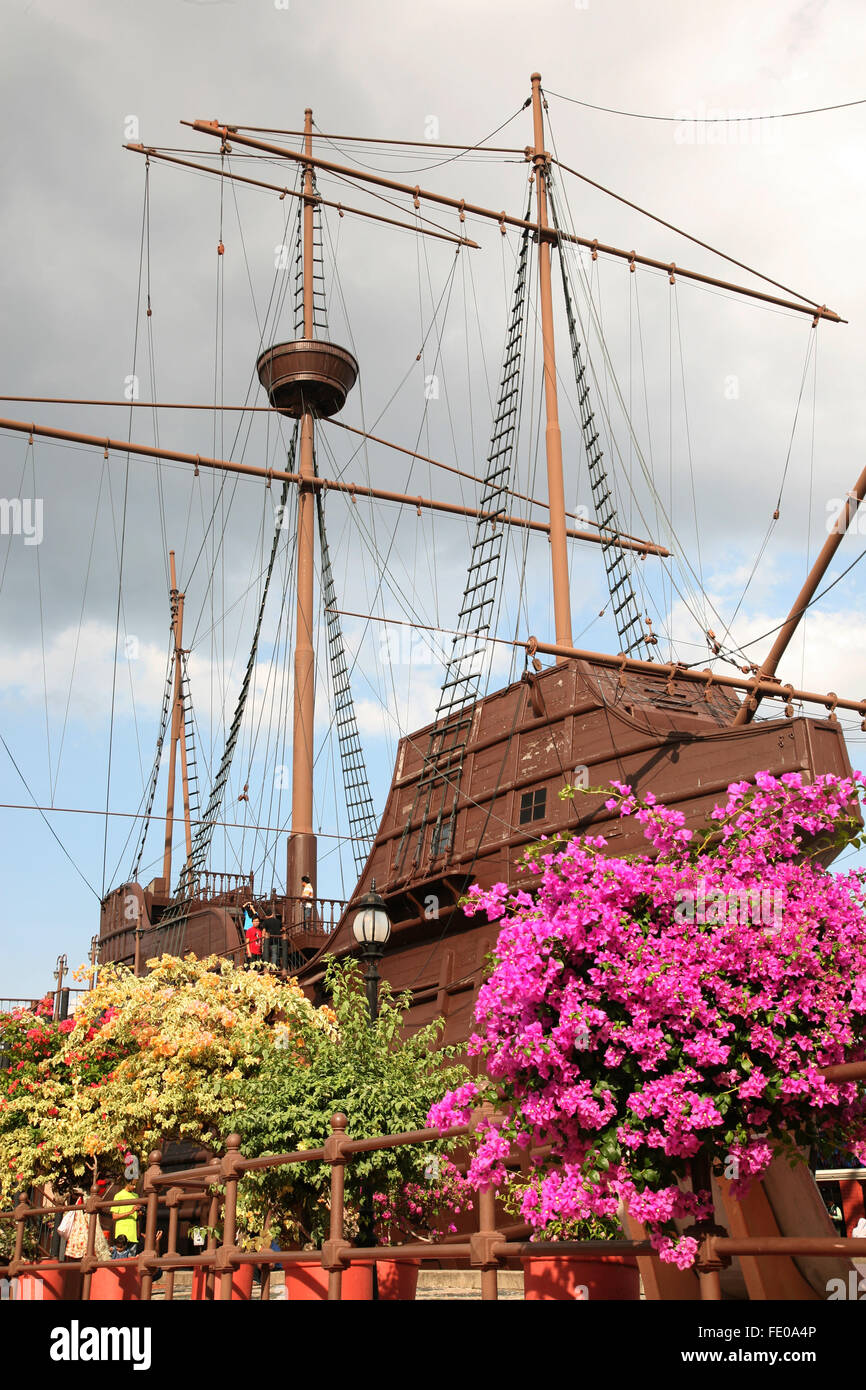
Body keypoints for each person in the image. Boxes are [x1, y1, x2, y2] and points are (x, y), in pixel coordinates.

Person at [111, 1183, 140, 1254]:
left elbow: (136, 1215)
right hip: (122, 1238)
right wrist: (130, 1212)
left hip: (133, 1236)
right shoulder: (118, 1196)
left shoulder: (136, 1196)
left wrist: (139, 1212)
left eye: (135, 1184)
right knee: (119, 1262)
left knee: (131, 1262)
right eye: (133, 1184)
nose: (135, 1186)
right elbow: (114, 1216)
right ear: (127, 1183)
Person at [261, 905, 284, 970]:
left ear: (266, 916)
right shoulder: (278, 921)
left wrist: (262, 940)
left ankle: (266, 968)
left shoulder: (265, 921)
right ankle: (274, 968)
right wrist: (279, 931)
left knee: (266, 954)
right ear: (272, 914)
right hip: (276, 940)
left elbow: (264, 931)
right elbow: (283, 928)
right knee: (274, 955)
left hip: (268, 941)